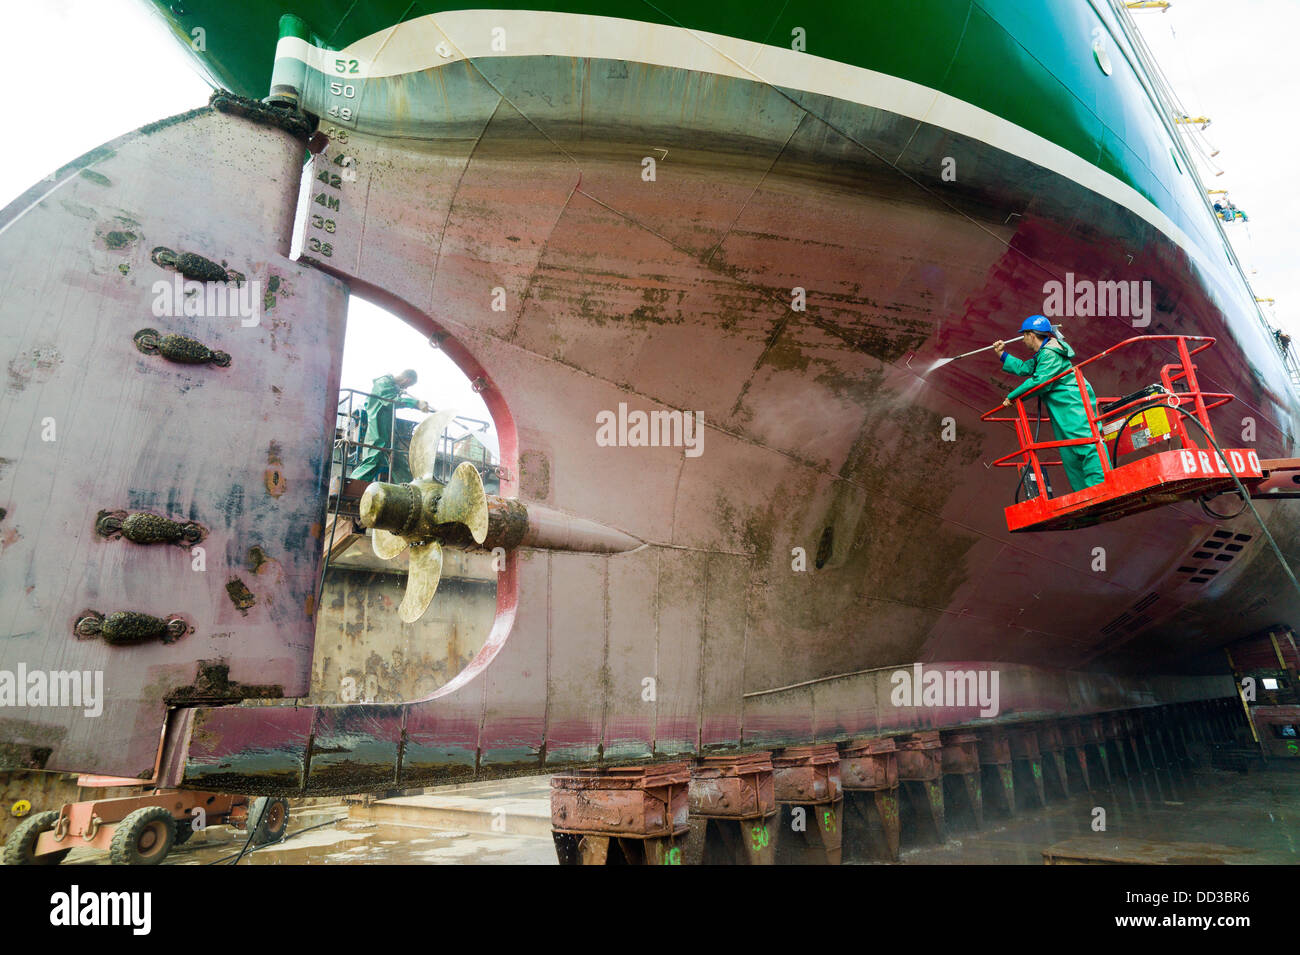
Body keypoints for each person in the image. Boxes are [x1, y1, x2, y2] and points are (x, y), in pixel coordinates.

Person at [994, 315, 1106, 494]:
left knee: (1086, 442)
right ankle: (1085, 493)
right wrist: (1002, 354)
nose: (1023, 340)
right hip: (1062, 407)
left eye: (1024, 335)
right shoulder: (1043, 354)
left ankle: (1101, 485)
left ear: (1031, 335)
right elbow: (1025, 368)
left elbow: (1040, 381)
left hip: (1073, 403)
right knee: (1070, 451)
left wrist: (1012, 396)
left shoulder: (1050, 353)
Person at [351, 369, 429, 484]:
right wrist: (415, 403)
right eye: (408, 385)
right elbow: (390, 400)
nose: (406, 388)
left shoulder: (392, 386)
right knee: (373, 459)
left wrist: (398, 390)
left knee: (398, 461)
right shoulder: (383, 382)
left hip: (388, 430)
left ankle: (409, 490)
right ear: (408, 380)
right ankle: (349, 484)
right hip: (378, 428)